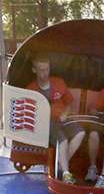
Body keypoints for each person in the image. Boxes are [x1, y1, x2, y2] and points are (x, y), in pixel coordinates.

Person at [25, 54, 84, 184]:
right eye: (41, 70)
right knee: (62, 140)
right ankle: (66, 174)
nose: (45, 73)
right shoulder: (30, 89)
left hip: (62, 118)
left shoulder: (59, 82)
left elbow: (69, 104)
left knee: (80, 133)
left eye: (47, 69)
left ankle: (60, 164)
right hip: (47, 123)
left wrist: (65, 114)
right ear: (34, 70)